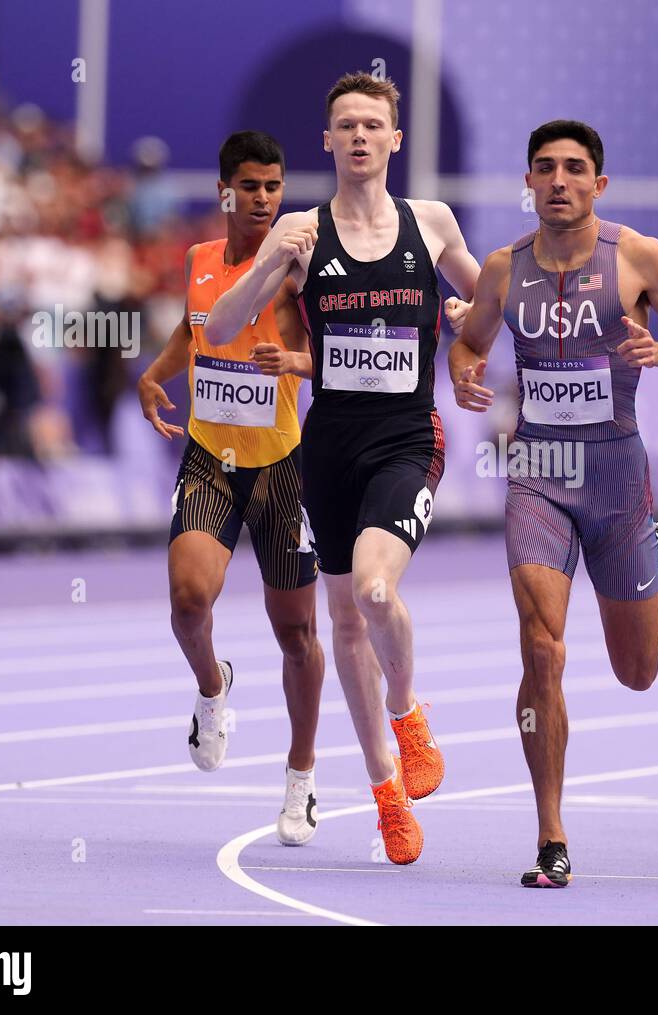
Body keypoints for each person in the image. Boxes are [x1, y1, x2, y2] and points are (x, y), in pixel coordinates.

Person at [447, 119, 658, 887]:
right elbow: (470, 339)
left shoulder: (639, 257)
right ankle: (551, 834)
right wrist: (465, 371)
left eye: (574, 169)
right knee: (541, 645)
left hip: (617, 478)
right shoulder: (502, 268)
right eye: (543, 168)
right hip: (538, 473)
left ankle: (650, 537)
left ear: (598, 185)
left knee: (637, 670)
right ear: (528, 182)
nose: (557, 181)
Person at [205, 73, 480, 865]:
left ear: (396, 139)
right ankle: (386, 792)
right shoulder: (298, 230)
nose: (360, 136)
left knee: (373, 588)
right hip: (327, 446)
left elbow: (484, 302)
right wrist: (266, 270)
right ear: (327, 142)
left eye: (373, 124)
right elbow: (221, 327)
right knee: (345, 623)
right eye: (345, 126)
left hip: (406, 439)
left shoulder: (429, 223)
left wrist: (465, 333)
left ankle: (407, 707)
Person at [136, 131, 325, 846]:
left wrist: (296, 361)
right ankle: (213, 690)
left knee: (298, 634)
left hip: (281, 468)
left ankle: (301, 779)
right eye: (251, 186)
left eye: (274, 186)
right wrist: (157, 371)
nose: (264, 199)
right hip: (211, 458)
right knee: (189, 603)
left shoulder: (298, 269)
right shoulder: (199, 260)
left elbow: (335, 353)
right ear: (224, 191)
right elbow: (195, 332)